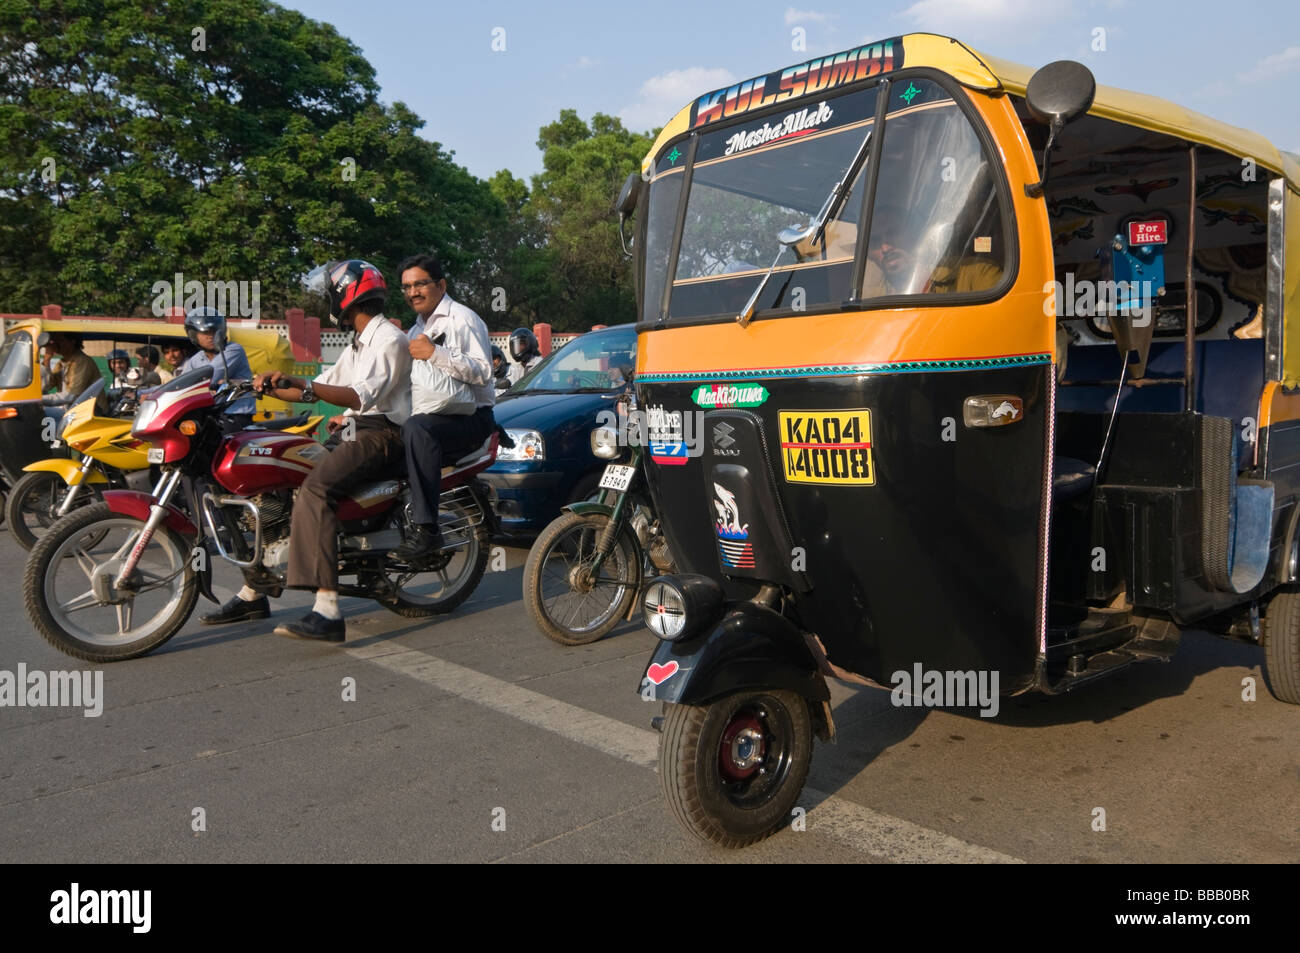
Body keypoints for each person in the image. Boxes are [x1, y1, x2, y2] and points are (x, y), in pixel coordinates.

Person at [210, 259, 411, 643]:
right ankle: (256, 589)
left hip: (381, 432)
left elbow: (358, 397)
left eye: (331, 295)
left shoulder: (390, 339)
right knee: (280, 477)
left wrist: (302, 386)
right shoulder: (359, 342)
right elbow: (319, 384)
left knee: (316, 490)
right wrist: (268, 385)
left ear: (345, 297)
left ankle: (328, 611)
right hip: (354, 428)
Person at [388, 253, 496, 562]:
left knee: (417, 429)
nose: (413, 293)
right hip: (435, 417)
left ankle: (427, 530)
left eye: (420, 284)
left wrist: (435, 353)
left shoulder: (462, 319)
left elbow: (483, 372)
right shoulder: (414, 331)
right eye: (407, 287)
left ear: (441, 285)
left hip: (472, 418)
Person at [181, 308, 256, 430]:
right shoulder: (196, 359)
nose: (211, 336)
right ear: (194, 335)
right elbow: (182, 383)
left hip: (234, 416)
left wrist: (202, 387)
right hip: (208, 414)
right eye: (205, 333)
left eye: (215, 331)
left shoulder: (233, 350)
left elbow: (211, 374)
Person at [41, 332, 106, 412]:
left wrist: (40, 399)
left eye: (60, 340)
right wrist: (47, 359)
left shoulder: (82, 361)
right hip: (72, 411)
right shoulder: (62, 363)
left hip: (92, 412)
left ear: (73, 341)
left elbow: (71, 395)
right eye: (54, 341)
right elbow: (46, 386)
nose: (55, 344)